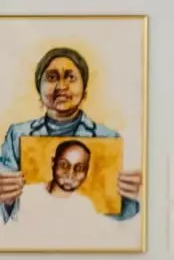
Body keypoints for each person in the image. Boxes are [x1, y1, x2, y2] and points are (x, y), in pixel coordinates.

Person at [0, 47, 143, 223]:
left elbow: (119, 217)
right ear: (39, 88)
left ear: (84, 90)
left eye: (71, 77)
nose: (61, 87)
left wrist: (134, 198)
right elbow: (7, 216)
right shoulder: (17, 135)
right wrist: (6, 198)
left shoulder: (108, 138)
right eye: (52, 77)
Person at [17, 139, 98, 219]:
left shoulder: (84, 208)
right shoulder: (26, 196)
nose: (70, 174)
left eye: (79, 168)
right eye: (64, 165)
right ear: (53, 163)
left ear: (86, 171)